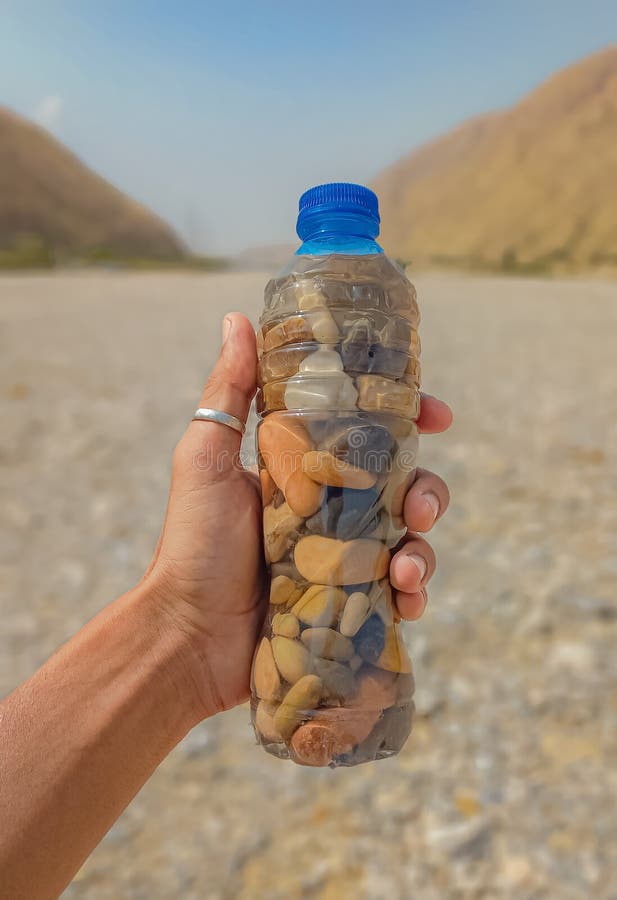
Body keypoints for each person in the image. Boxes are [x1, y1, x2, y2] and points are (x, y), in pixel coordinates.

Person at [0, 314, 452, 899]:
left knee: (383, 524)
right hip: (298, 644)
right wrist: (185, 625)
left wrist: (185, 636)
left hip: (318, 638)